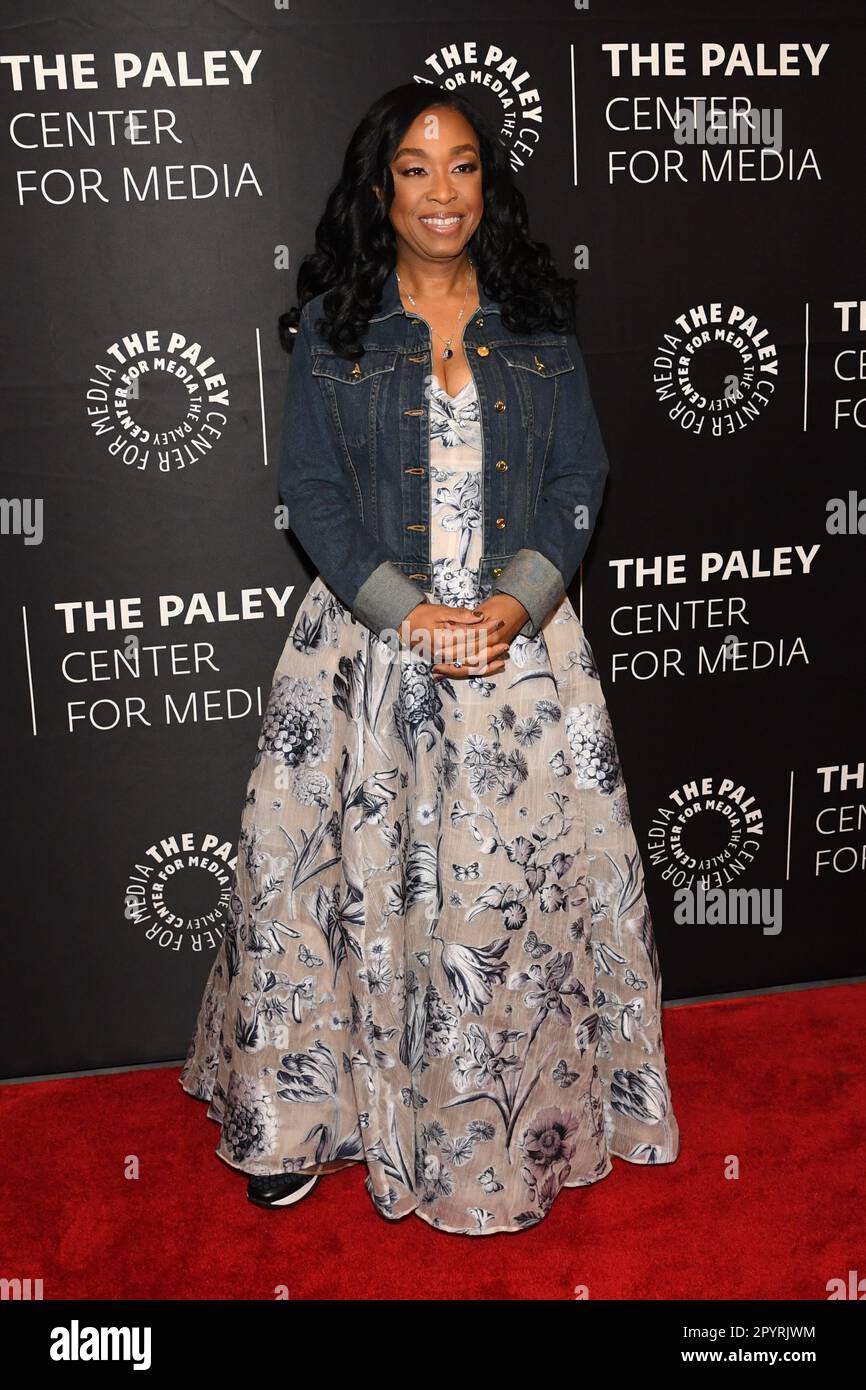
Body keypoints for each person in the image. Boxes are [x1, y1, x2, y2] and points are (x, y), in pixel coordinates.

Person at [179, 83, 680, 1236]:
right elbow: (310, 495)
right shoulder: (335, 331)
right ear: (378, 189)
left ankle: (524, 1119)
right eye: (414, 167)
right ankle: (308, 1116)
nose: (441, 191)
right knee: (328, 892)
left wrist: (514, 601)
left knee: (510, 900)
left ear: (486, 185)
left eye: (461, 165)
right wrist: (409, 614)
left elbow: (577, 480)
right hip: (366, 653)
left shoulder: (538, 323)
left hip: (521, 657)